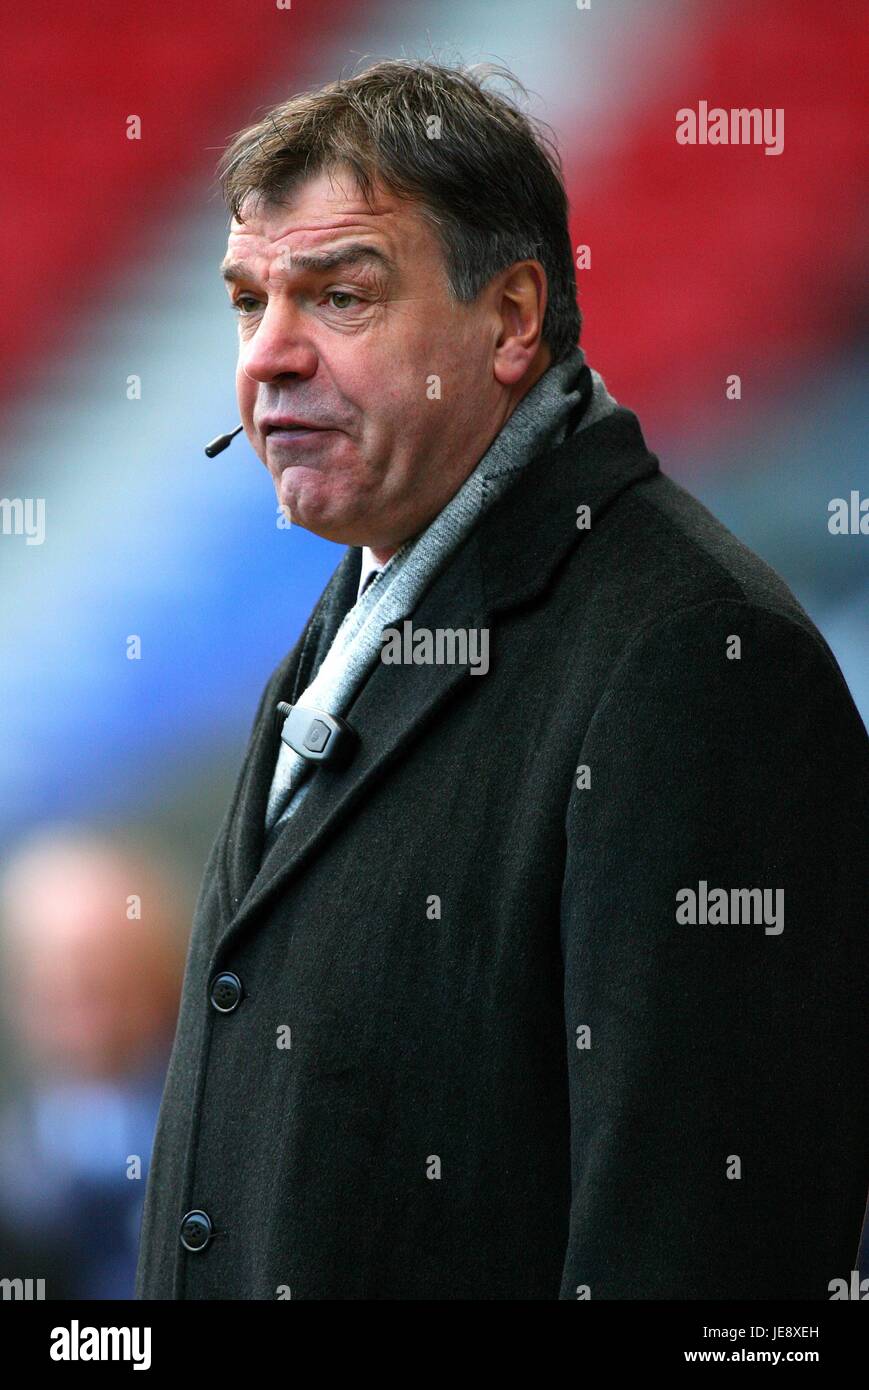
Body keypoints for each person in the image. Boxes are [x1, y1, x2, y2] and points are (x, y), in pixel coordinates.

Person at [135, 59, 868, 1300]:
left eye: (339, 296)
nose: (269, 357)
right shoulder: (362, 610)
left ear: (513, 318)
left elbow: (707, 1260)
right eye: (247, 302)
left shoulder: (694, 661)